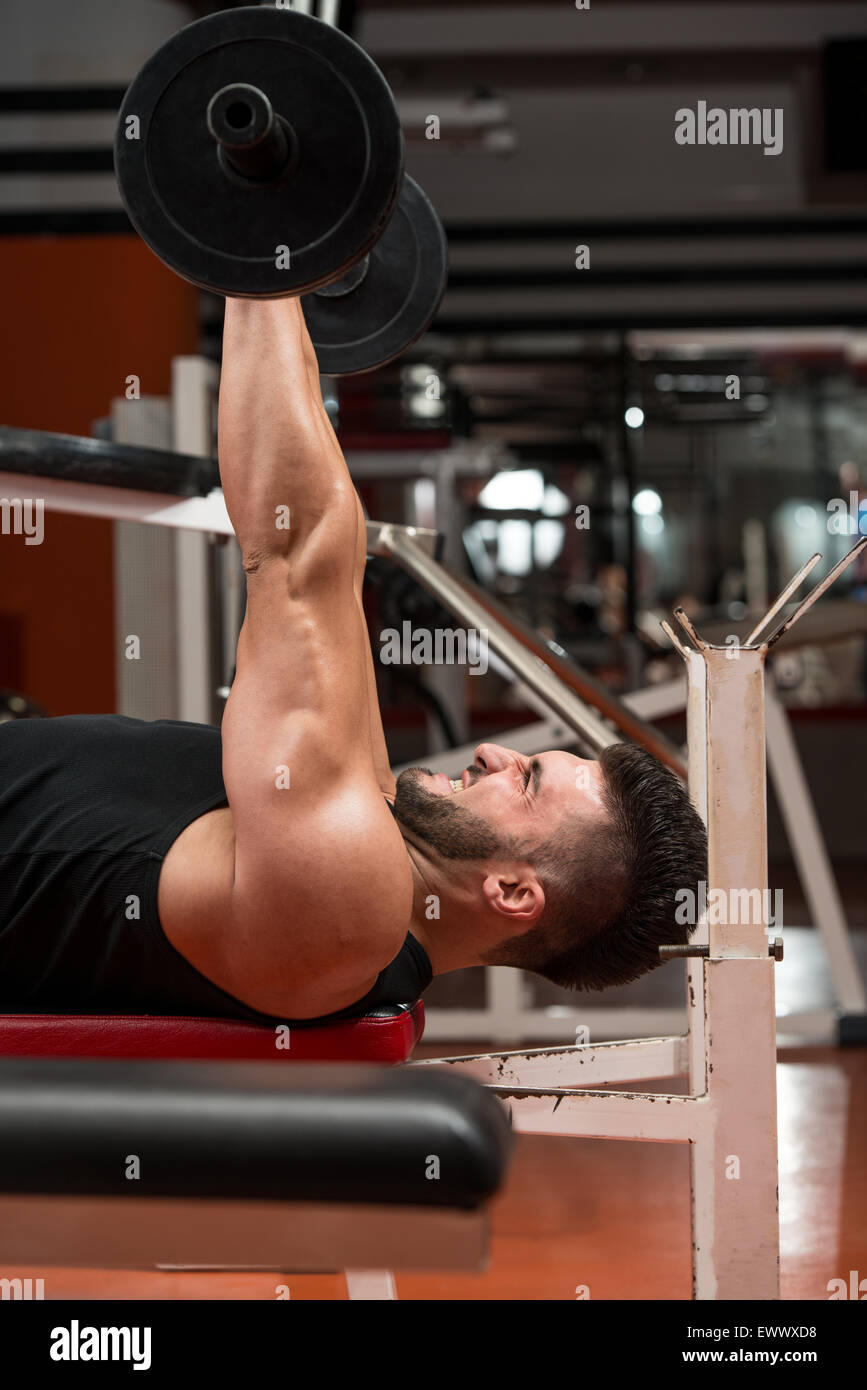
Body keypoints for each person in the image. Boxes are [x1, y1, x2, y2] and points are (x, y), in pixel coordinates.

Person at [0, 300, 707, 1026]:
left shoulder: (347, 906)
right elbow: (329, 566)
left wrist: (257, 266)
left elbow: (295, 549)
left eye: (527, 781)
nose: (498, 752)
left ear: (514, 893)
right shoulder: (372, 847)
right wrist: (293, 276)